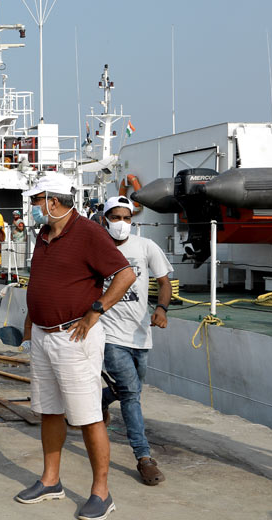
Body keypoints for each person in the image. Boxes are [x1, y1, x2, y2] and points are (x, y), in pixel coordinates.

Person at [15, 173, 135, 520]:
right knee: (49, 409)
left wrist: (95, 310)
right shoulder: (44, 233)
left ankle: (101, 493)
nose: (34, 206)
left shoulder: (88, 233)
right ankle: (51, 480)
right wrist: (29, 327)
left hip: (74, 337)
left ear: (53, 202)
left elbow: (125, 274)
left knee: (87, 416)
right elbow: (40, 282)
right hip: (42, 334)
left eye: (37, 200)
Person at [98, 196, 172, 487]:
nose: (122, 224)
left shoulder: (145, 246)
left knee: (129, 388)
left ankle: (102, 399)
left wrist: (161, 309)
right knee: (131, 394)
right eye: (115, 217)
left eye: (127, 218)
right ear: (105, 219)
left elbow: (164, 281)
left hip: (141, 334)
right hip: (109, 333)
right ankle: (144, 458)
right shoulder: (96, 247)